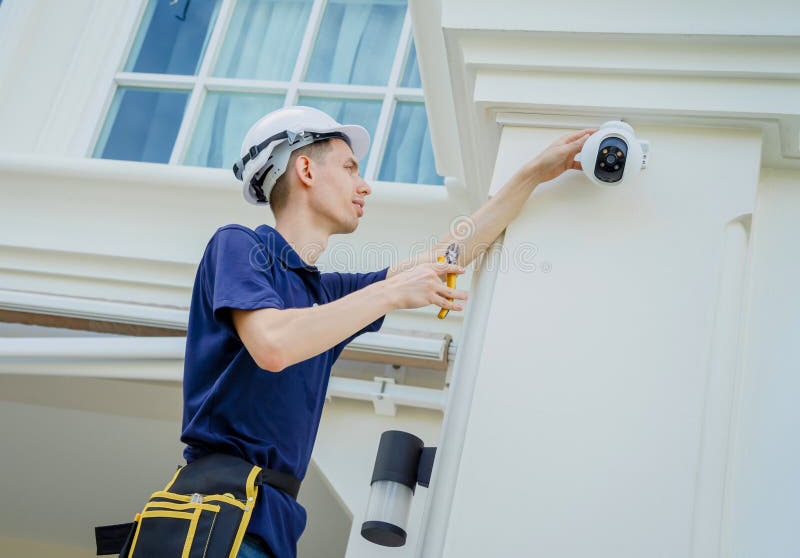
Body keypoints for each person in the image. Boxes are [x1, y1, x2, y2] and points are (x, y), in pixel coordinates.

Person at [180, 106, 594, 557]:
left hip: (267, 526)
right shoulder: (239, 244)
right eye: (349, 167)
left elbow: (449, 254)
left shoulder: (324, 295)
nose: (365, 186)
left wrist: (532, 174)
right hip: (216, 517)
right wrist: (392, 293)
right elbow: (274, 344)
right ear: (304, 169)